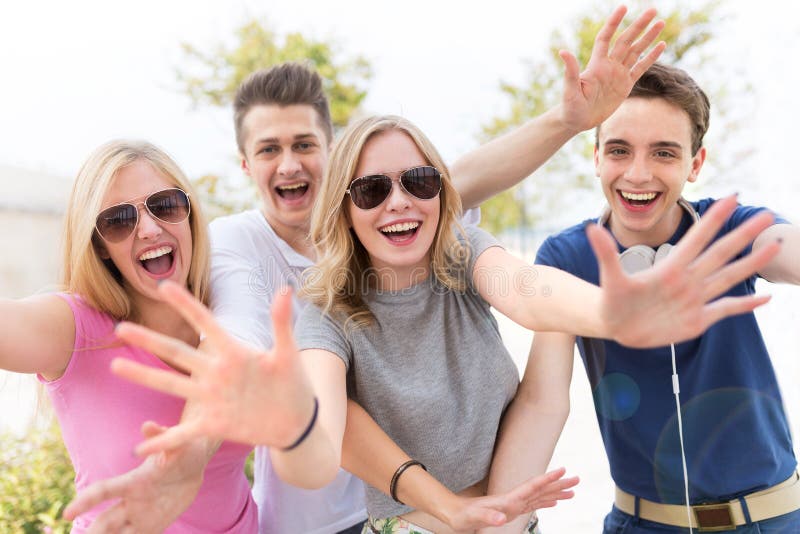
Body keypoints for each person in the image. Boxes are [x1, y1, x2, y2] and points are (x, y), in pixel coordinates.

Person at [66, 6, 675, 533]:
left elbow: (503, 256)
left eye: (304, 144)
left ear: (331, 153)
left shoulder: (421, 229)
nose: (288, 165)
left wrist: (571, 121)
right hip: (323, 518)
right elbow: (249, 343)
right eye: (268, 150)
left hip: (448, 508)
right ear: (245, 163)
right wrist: (235, 427)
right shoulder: (247, 251)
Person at [104, 113, 779, 534]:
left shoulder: (460, 254)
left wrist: (610, 309)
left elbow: (523, 290)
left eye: (419, 182)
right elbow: (321, 450)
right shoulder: (324, 310)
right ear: (344, 208)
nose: (399, 203)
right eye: (372, 190)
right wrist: (290, 425)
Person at [482, 62, 800, 533]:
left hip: (773, 521)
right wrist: (497, 521)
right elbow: (543, 402)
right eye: (619, 150)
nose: (637, 173)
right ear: (595, 158)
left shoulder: (732, 227)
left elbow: (787, 249)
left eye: (664, 153)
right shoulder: (567, 256)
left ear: (695, 164)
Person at [0, 140, 258, 532]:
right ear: (100, 246)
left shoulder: (230, 312)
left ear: (189, 214)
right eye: (118, 220)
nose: (150, 229)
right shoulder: (74, 326)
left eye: (166, 205)